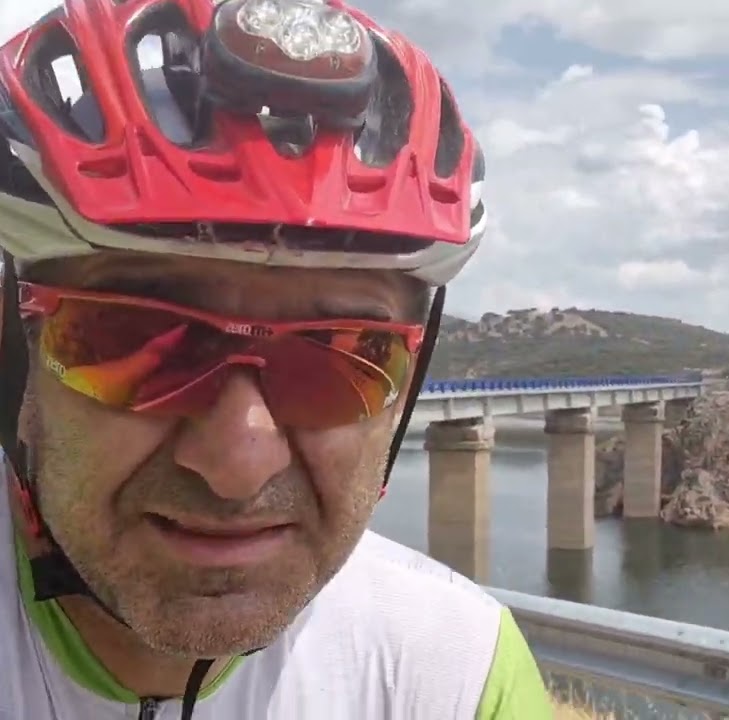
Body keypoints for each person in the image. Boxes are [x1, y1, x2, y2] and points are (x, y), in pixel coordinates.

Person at [0, 0, 554, 717]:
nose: (238, 463)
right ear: (16, 362)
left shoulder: (454, 674)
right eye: (129, 338)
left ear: (406, 385)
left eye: (344, 356)